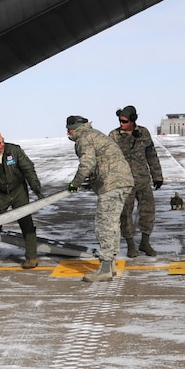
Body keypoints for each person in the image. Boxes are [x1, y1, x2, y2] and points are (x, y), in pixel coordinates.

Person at [66, 116, 133, 282]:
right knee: (112, 225)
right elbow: (101, 163)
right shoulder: (95, 134)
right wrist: (92, 183)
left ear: (71, 129)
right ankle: (111, 267)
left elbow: (87, 163)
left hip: (112, 184)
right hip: (120, 182)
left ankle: (104, 269)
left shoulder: (84, 138)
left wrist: (75, 184)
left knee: (104, 225)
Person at [0, 130, 45, 269]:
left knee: (26, 223)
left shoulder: (14, 150)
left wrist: (36, 189)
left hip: (18, 190)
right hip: (0, 194)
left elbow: (28, 170)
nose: (2, 144)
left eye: (2, 140)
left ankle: (32, 257)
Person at [108, 106, 164, 257]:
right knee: (125, 214)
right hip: (124, 182)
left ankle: (145, 242)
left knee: (148, 211)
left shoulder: (143, 133)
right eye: (120, 121)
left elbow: (151, 155)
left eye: (125, 121)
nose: (121, 124)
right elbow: (107, 159)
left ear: (133, 120)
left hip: (142, 180)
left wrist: (157, 176)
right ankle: (130, 245)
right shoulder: (114, 136)